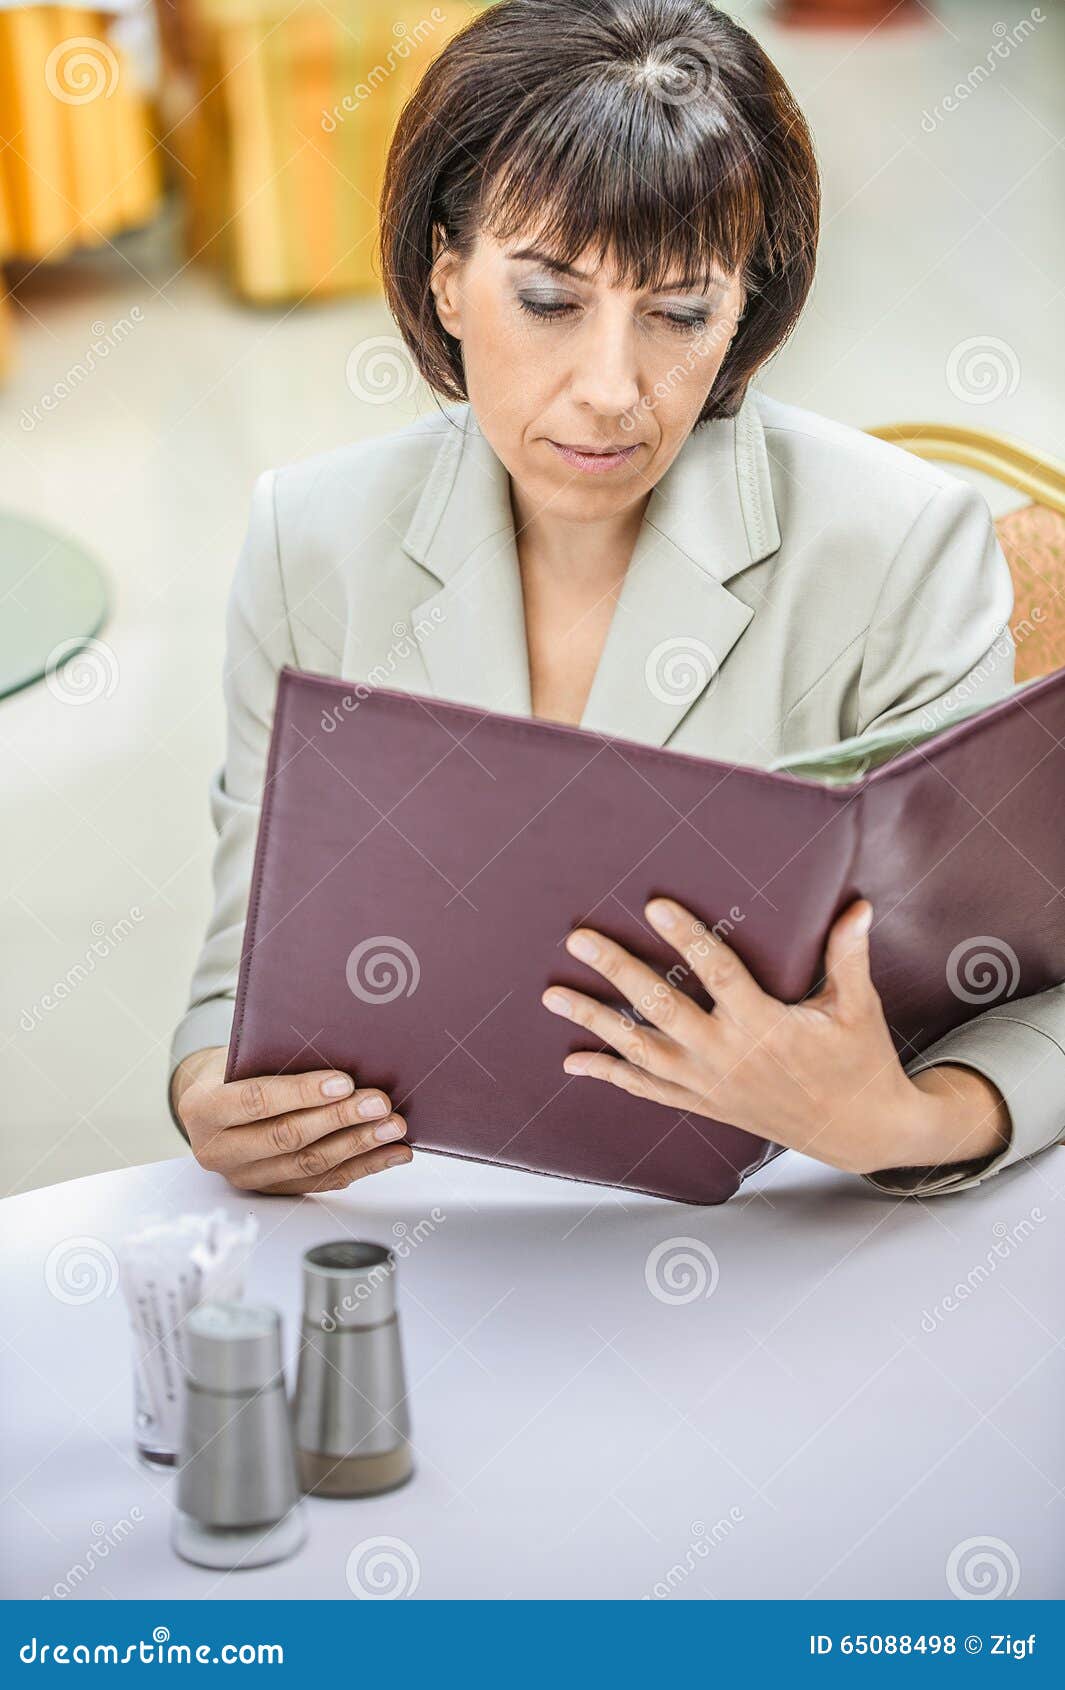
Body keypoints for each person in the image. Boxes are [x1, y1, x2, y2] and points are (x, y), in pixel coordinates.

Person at [169, 0, 1065, 1198]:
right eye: (549, 302)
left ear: (747, 308)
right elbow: (241, 973)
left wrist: (910, 1119)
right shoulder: (309, 540)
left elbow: (1019, 999)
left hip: (787, 1219)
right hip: (433, 1208)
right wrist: (209, 1098)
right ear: (445, 278)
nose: (612, 391)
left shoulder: (903, 545)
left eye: (680, 314)